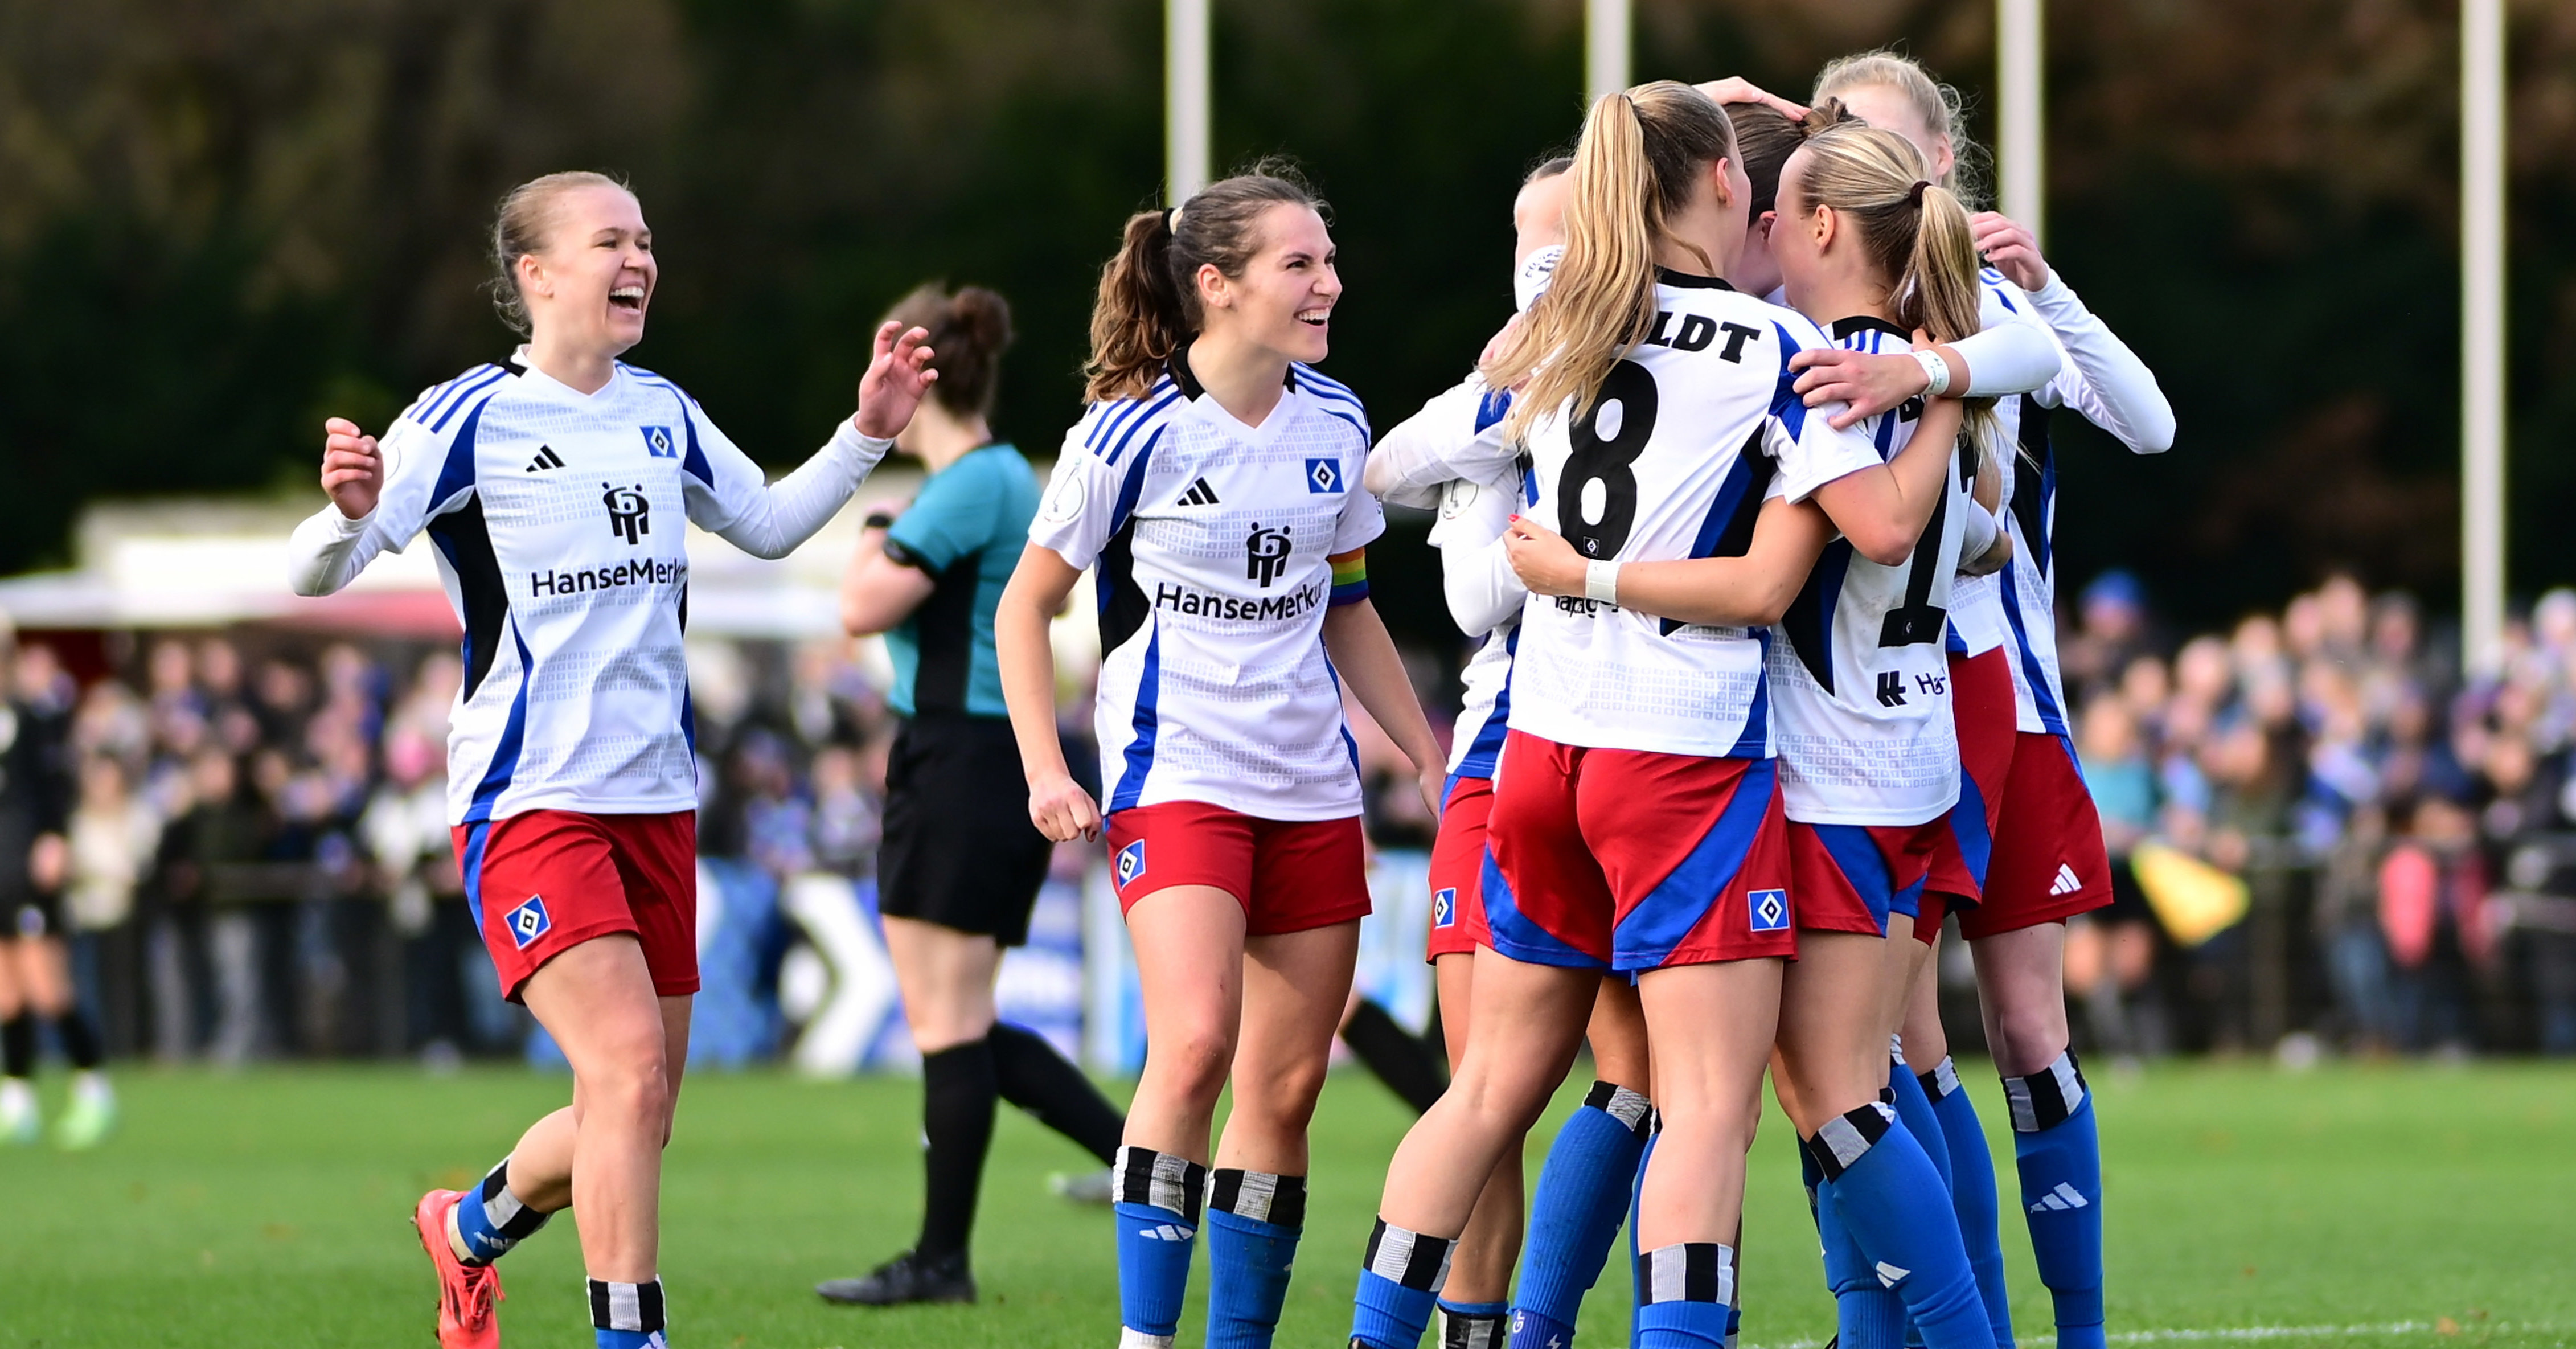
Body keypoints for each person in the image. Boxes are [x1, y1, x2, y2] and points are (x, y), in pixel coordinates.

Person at [286, 169, 934, 1349]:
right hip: (531, 802)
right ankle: (630, 1336)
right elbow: (312, 570)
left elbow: (773, 524)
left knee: (631, 1108)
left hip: (657, 802)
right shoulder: (461, 418)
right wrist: (344, 511)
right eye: (608, 241)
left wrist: (867, 433)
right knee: (630, 1071)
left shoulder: (663, 411)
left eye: (644, 240)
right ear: (534, 275)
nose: (637, 259)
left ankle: (469, 1221)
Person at [1346, 81, 1919, 1349]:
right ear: (1728, 184)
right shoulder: (1770, 353)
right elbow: (1870, 528)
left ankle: (1376, 1331)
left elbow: (1384, 470)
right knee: (1708, 1104)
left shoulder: (1559, 332)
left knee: (1489, 1088)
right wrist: (1950, 381)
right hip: (1681, 757)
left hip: (1541, 749)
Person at [997, 165, 1445, 1349]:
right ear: (1218, 285)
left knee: (1286, 1089)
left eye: (1328, 260)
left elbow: (1348, 605)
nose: (1328, 283)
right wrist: (1050, 766)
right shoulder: (1127, 432)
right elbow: (1023, 606)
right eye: (1300, 264)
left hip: (1310, 784)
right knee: (1193, 1040)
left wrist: (1424, 753)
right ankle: (1149, 1337)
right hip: (1176, 774)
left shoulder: (1338, 420)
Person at [1814, 50, 2177, 1349]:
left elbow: (2149, 423)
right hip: (1869, 720)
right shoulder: (1807, 317)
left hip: (2006, 714)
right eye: (1831, 134)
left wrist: (2034, 291)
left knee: (2027, 1025)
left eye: (1877, 138)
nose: (1850, 158)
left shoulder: (1997, 322)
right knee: (1878, 1050)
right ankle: (1932, 1325)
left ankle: (2069, 1328)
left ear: (1943, 167)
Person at [818, 282, 1126, 1307]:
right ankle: (1149, 1160)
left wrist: (870, 512)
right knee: (963, 1021)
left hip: (961, 763)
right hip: (979, 763)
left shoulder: (972, 481)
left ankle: (941, 1258)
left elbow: (863, 604)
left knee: (949, 1026)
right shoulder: (998, 480)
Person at [1363, 155, 1581, 1349]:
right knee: (1484, 1087)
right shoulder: (1497, 395)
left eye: (1550, 243)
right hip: (1505, 755)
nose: (1534, 269)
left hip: (1646, 744)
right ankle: (1473, 1327)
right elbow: (1458, 577)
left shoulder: (1666, 366)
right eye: (1523, 241)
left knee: (1671, 1091)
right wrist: (1494, 419)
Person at [0, 633, 116, 1149]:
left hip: (28, 870)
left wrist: (55, 839)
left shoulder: (34, 717)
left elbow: (57, 788)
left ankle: (94, 1086)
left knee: (48, 991)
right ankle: (18, 1100)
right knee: (6, 996)